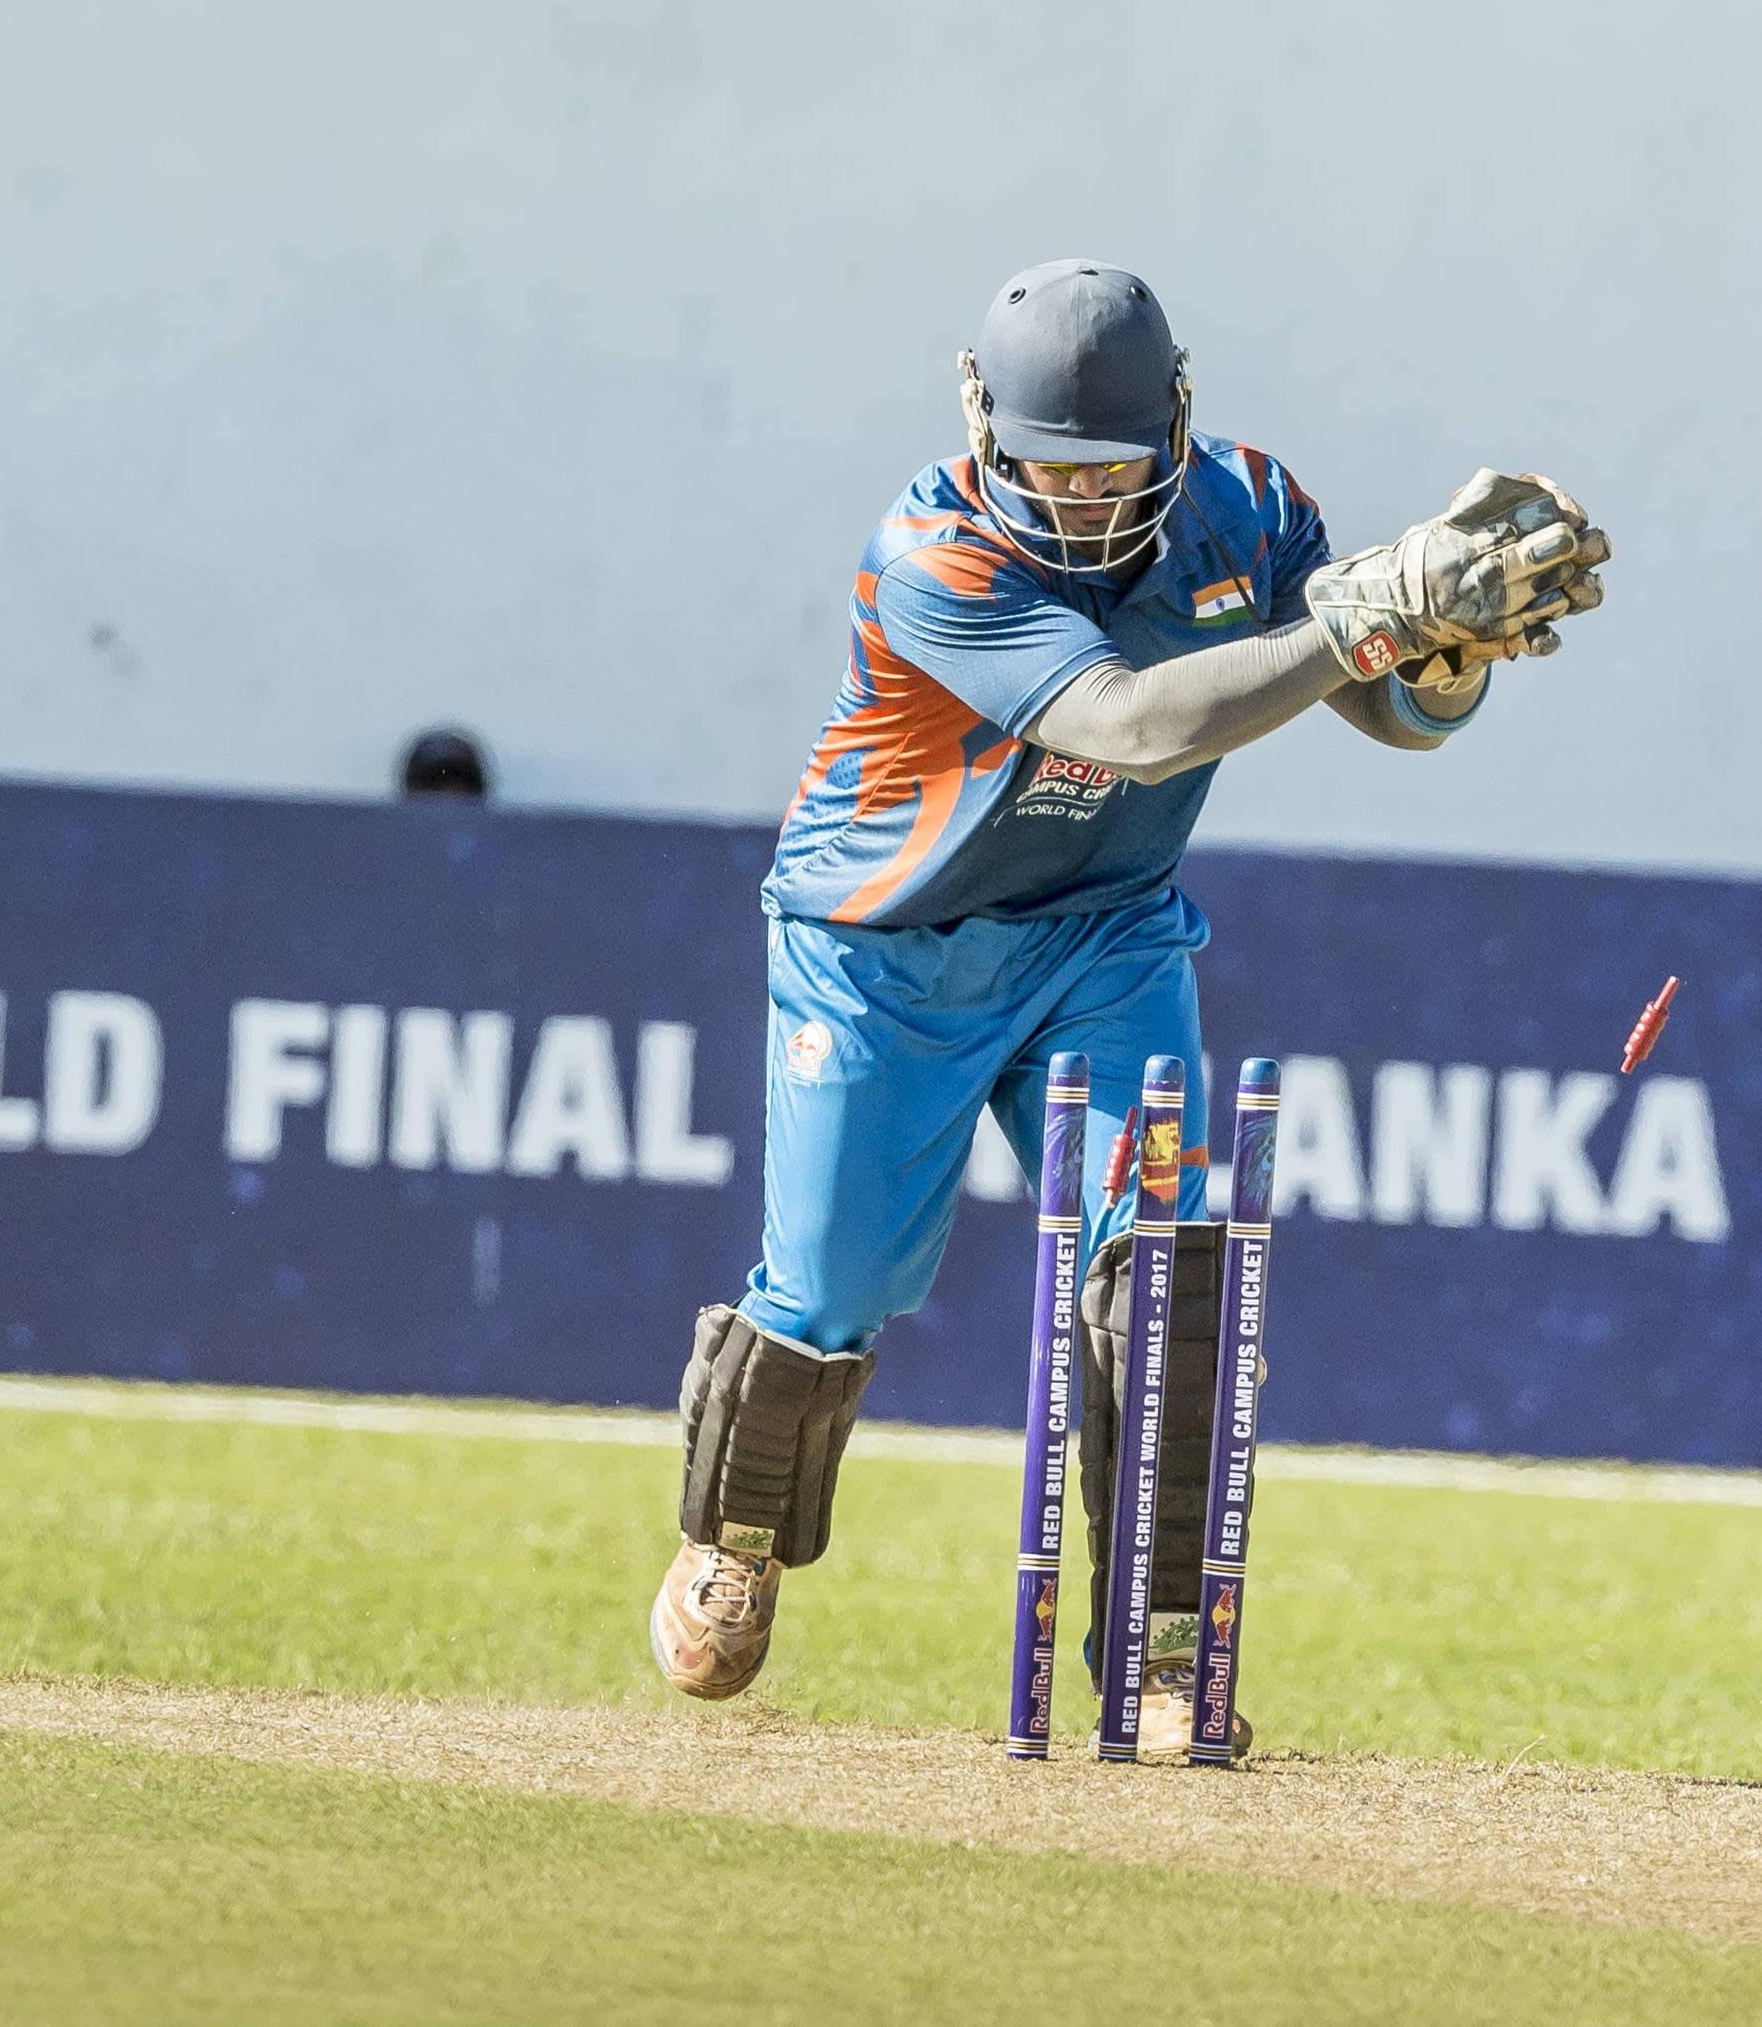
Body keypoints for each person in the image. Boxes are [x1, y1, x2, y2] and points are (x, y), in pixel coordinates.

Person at [651, 261, 1606, 1750]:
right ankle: (740, 1531)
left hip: (1104, 935)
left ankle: (1160, 1651)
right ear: (983, 429)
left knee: (1163, 1260)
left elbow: (1393, 711)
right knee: (833, 1287)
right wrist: (1368, 617)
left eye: (1113, 472)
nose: (1085, 507)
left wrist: (1452, 654)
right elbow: (1138, 726)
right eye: (1050, 470)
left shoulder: (1251, 508)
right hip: (886, 944)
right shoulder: (933, 553)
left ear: (1177, 420)